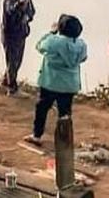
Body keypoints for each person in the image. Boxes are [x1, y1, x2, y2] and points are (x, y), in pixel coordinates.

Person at [23, 14, 87, 146]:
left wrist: (51, 32)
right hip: (69, 85)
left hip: (50, 82)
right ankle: (64, 140)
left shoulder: (54, 41)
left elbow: (40, 46)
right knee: (65, 113)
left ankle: (37, 135)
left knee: (42, 108)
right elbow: (84, 58)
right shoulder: (81, 45)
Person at [1, 0, 36, 96]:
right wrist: (19, 5)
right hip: (10, 32)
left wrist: (27, 16)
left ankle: (6, 81)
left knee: (18, 60)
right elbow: (10, 9)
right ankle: (12, 88)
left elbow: (32, 10)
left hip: (21, 32)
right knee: (12, 60)